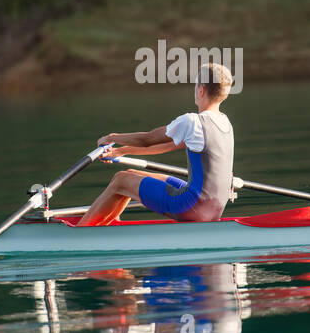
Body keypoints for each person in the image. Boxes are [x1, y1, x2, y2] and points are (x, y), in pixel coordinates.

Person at [78, 63, 235, 226]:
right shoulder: (225, 123)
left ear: (201, 90)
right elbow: (167, 145)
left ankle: (81, 233)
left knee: (121, 180)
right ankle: (107, 223)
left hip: (191, 206)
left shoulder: (192, 122)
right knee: (132, 173)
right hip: (214, 207)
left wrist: (111, 137)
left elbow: (147, 139)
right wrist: (120, 151)